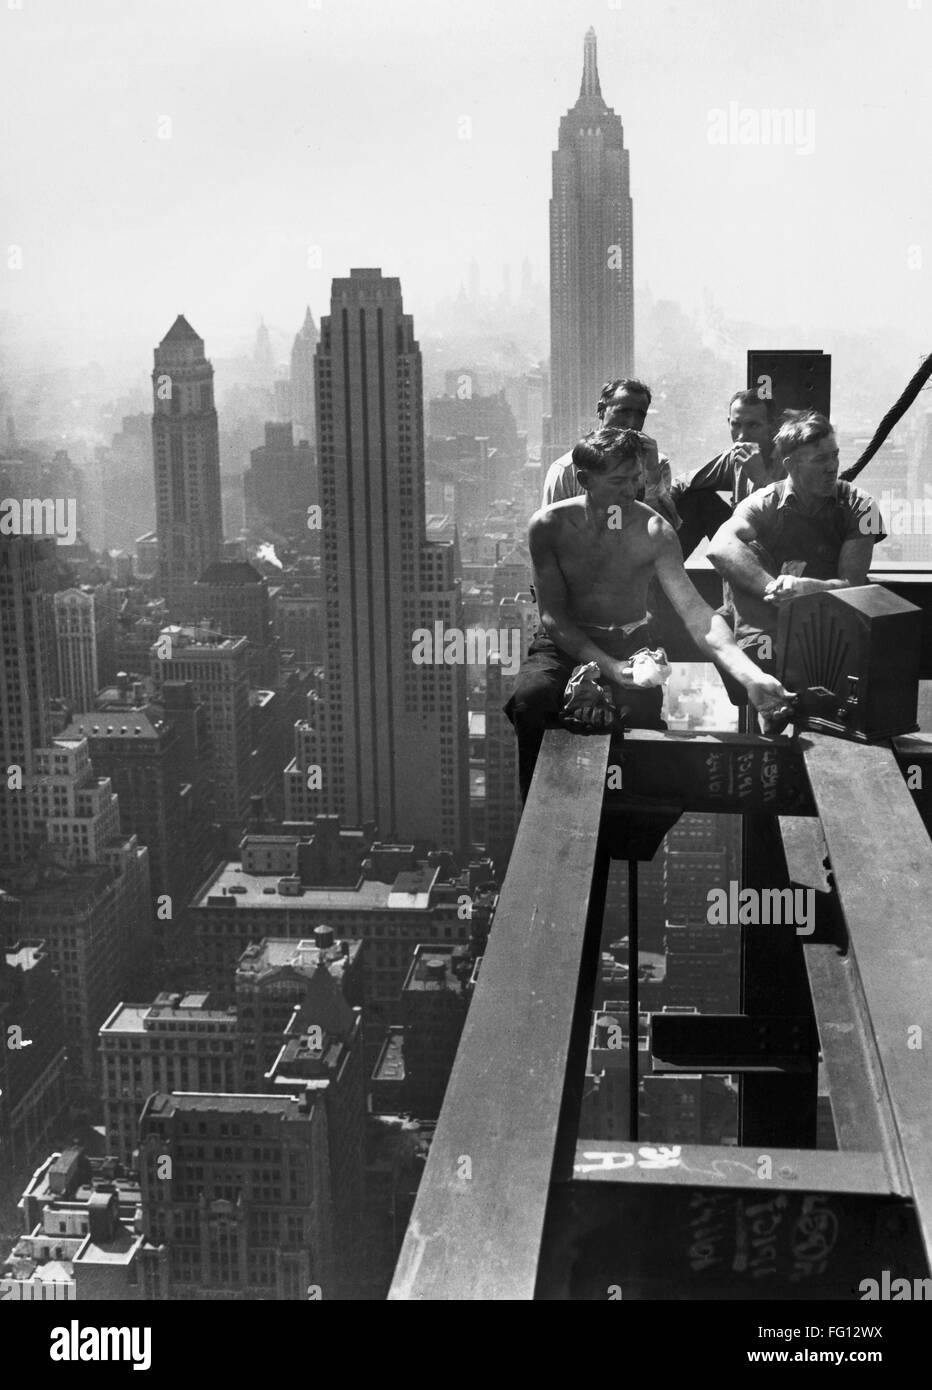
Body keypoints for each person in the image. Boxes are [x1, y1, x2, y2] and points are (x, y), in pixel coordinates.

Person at [506, 428, 793, 800]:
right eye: (618, 481)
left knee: (644, 740)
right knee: (532, 699)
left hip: (632, 641)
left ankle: (626, 831)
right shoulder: (548, 526)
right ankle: (538, 806)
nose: (631, 491)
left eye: (636, 479)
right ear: (584, 480)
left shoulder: (655, 531)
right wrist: (610, 669)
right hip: (564, 642)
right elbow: (553, 619)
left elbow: (697, 614)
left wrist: (752, 677)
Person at [705, 410, 886, 676]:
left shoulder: (862, 506)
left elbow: (853, 585)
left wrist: (804, 589)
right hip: (772, 627)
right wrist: (775, 589)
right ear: (791, 465)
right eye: (820, 459)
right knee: (746, 549)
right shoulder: (764, 503)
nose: (832, 467)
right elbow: (719, 547)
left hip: (831, 624)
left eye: (834, 454)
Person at [542, 378, 679, 526]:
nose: (632, 423)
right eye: (623, 412)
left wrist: (653, 473)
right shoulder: (567, 469)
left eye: (640, 414)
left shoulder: (656, 463)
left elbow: (666, 529)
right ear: (601, 410)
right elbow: (550, 529)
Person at [670, 388, 786, 560]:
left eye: (753, 425)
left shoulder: (790, 458)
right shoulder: (736, 456)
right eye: (736, 425)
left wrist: (760, 477)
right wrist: (662, 512)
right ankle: (662, 573)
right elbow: (684, 482)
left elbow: (794, 523)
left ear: (772, 426)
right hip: (743, 539)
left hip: (779, 548)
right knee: (698, 499)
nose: (742, 435)